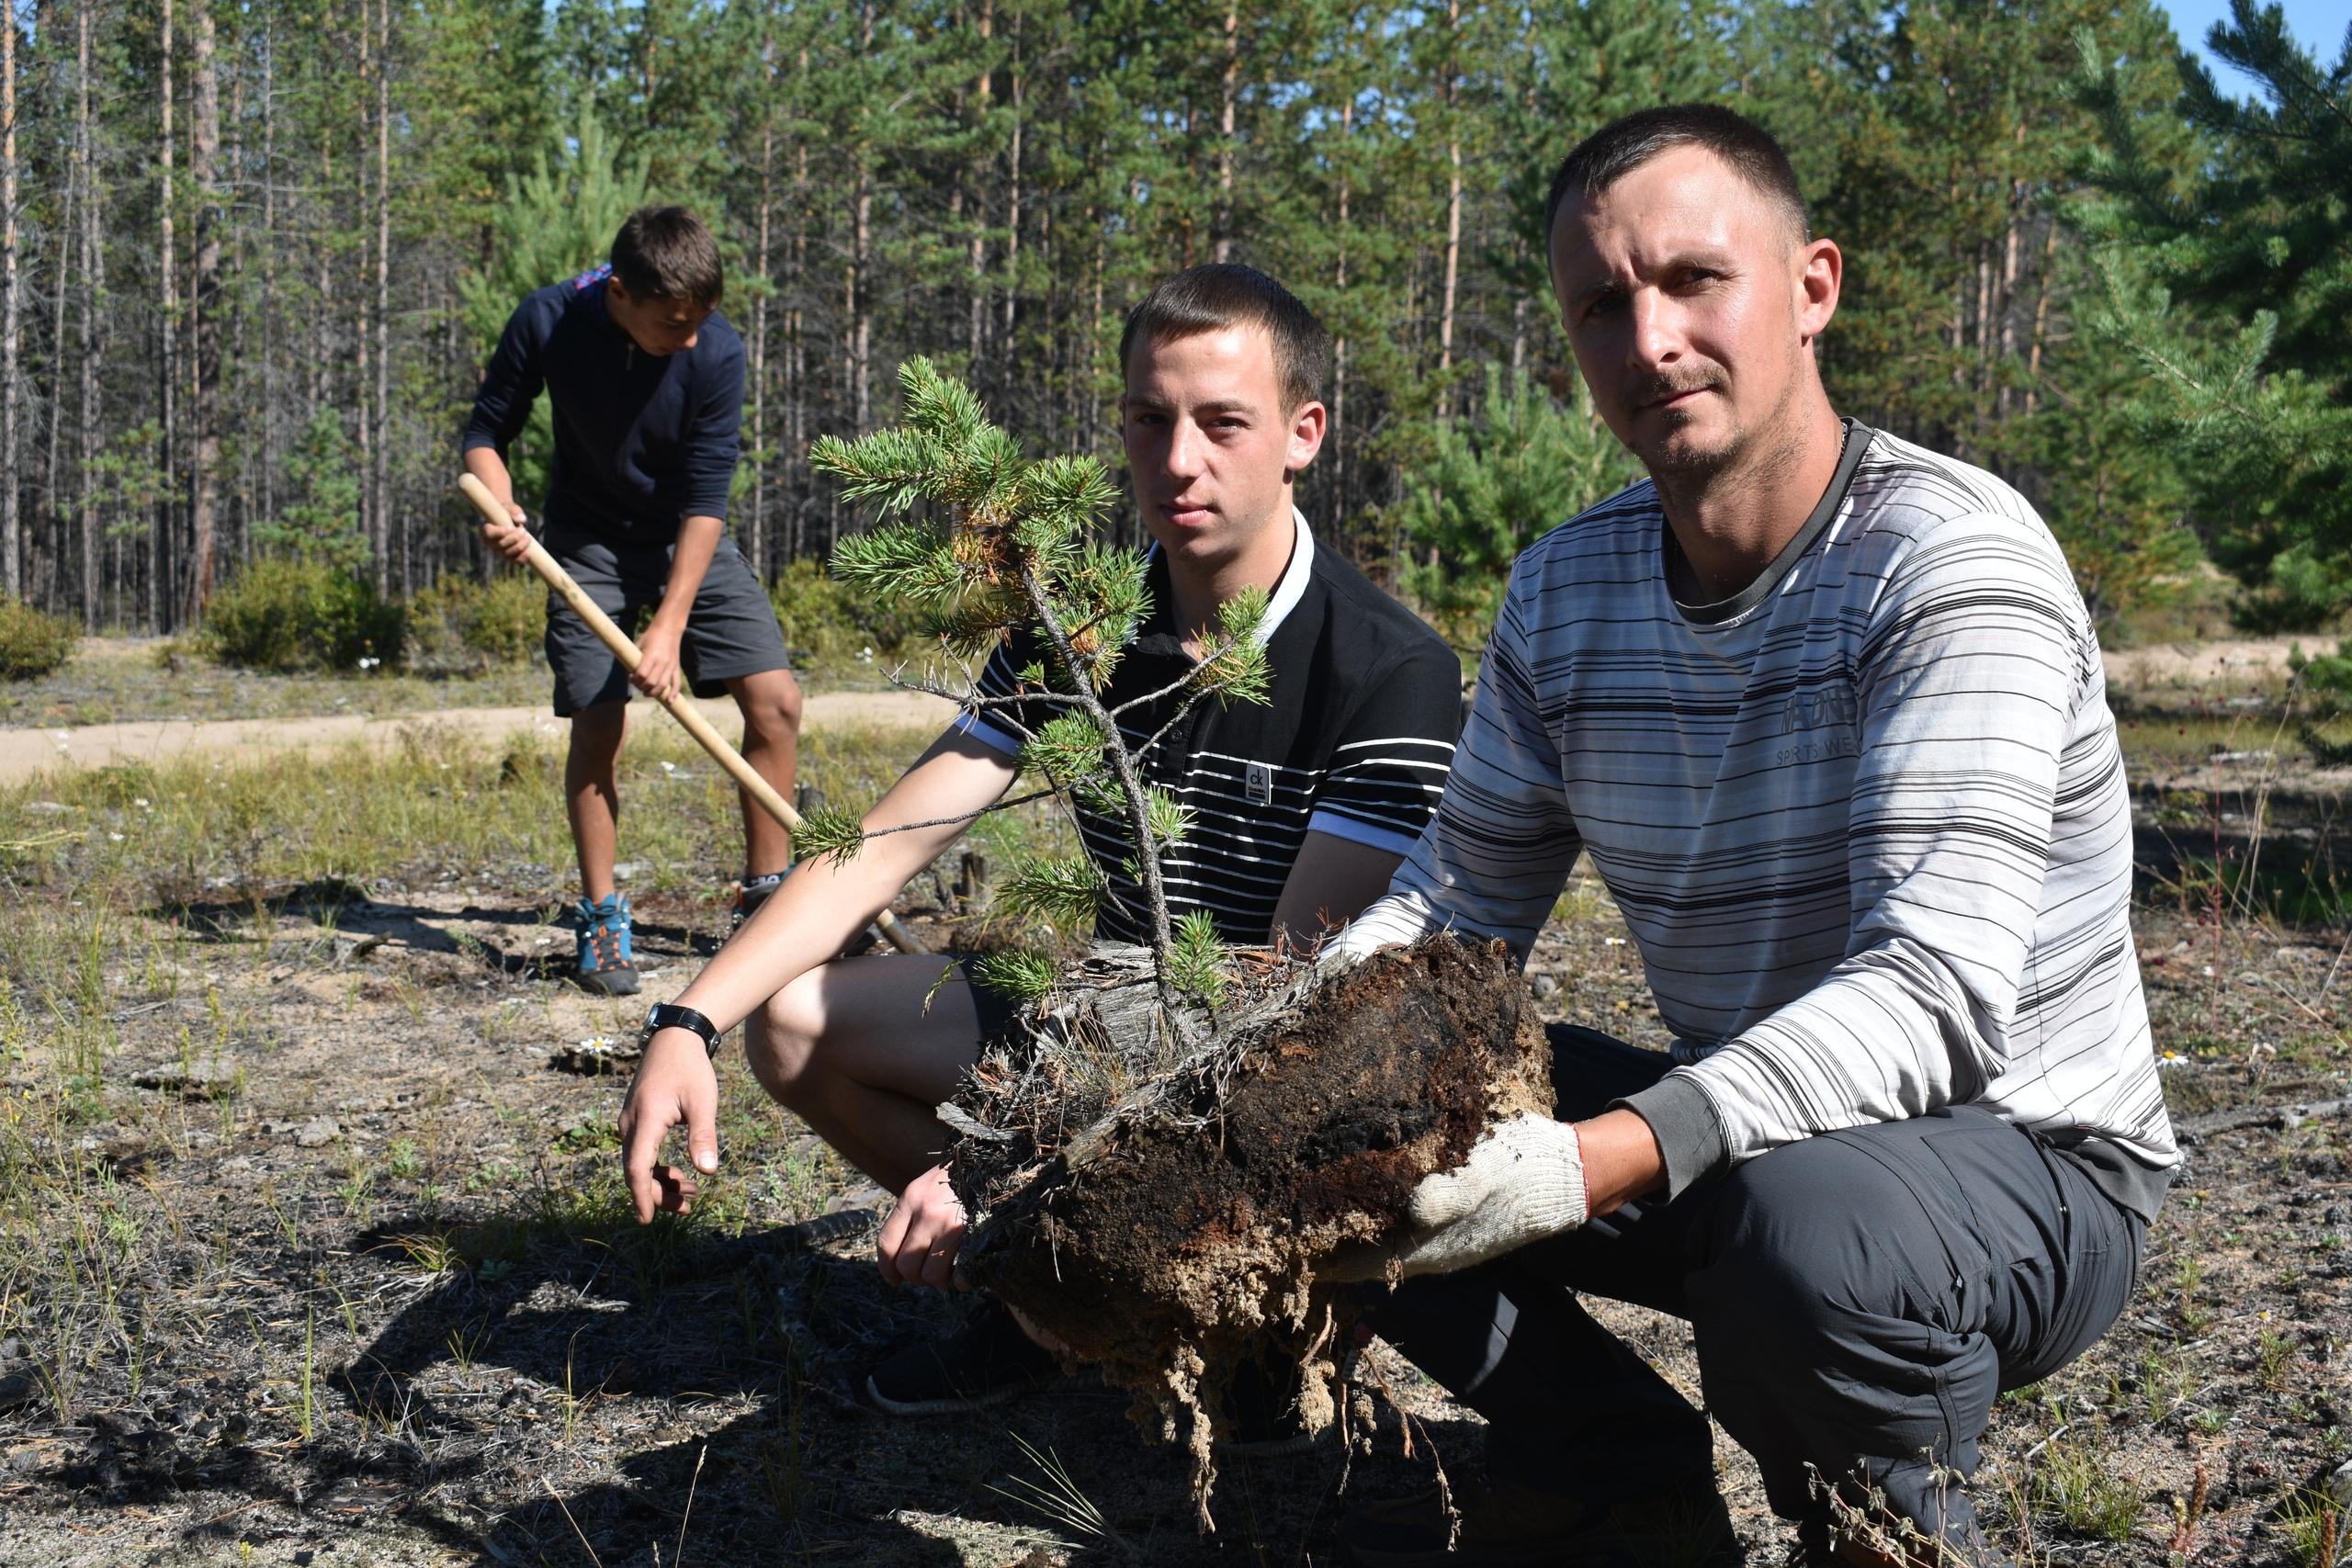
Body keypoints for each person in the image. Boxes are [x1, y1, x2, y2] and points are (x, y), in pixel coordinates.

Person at [1324, 105, 2177, 1568]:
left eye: (1693, 280)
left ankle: (1880, 1536)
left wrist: (1589, 1160)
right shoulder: (1566, 588)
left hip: (2024, 1159)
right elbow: (1453, 906)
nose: (1649, 338)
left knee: (1807, 1232)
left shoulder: (1947, 564)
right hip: (1756, 1128)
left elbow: (1934, 995)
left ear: (1813, 287)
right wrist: (1244, 1081)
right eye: (1603, 303)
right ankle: (1614, 1475)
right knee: (1345, 1104)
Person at [617, 265, 1464, 1419]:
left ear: (1301, 434)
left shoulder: (1388, 667)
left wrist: (1000, 1180)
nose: (1179, 462)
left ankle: (1253, 1330)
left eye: (1224, 424)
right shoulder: (1079, 627)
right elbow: (883, 843)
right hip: (1109, 1013)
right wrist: (686, 1020)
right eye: (1148, 419)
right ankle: (1038, 1306)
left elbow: (1279, 1012)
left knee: (1249, 1113)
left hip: (1289, 1080)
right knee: (797, 1020)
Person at [464, 205, 803, 997]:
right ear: (618, 291)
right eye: (671, 322)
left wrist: (669, 623)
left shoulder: (715, 350)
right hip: (586, 543)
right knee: (600, 717)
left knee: (777, 701)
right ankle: (602, 916)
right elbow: (487, 433)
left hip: (689, 539)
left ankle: (767, 900)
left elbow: (706, 495)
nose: (687, 338)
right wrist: (502, 507)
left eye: (699, 320)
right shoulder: (547, 320)